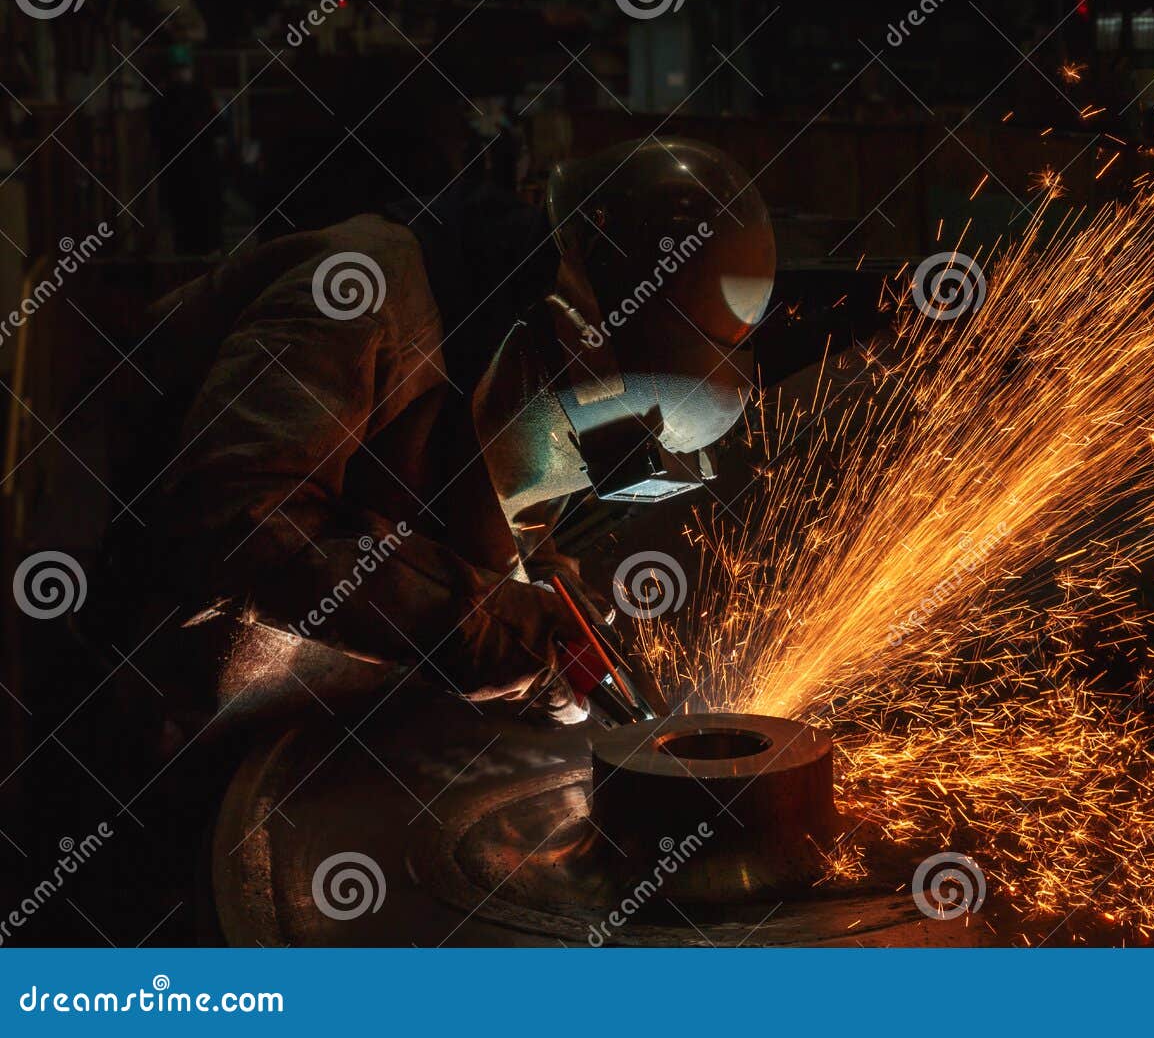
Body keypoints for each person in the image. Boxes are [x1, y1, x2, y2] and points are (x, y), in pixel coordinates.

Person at [92, 138, 775, 737]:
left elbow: (512, 511)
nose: (582, 436)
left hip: (296, 722)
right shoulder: (364, 295)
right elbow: (236, 521)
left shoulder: (527, 352)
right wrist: (483, 627)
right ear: (574, 314)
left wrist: (558, 615)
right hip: (137, 702)